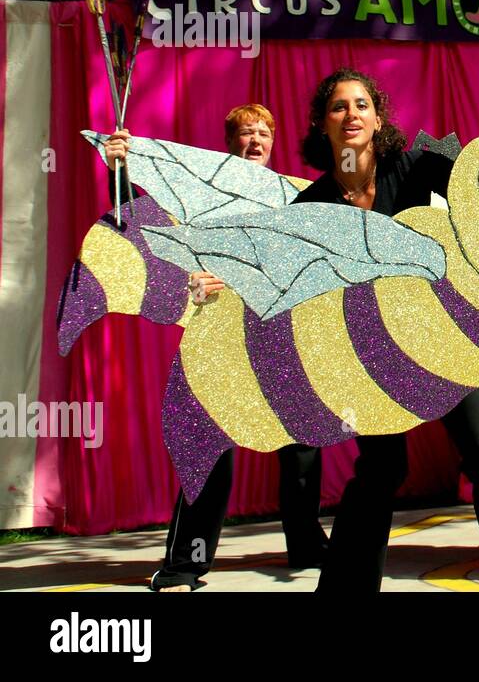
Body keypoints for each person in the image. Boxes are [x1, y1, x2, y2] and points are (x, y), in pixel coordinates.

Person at [292, 68, 479, 592]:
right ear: (322, 125)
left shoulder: (415, 167)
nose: (351, 114)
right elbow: (287, 280)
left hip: (444, 339)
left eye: (361, 105)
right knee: (381, 469)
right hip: (374, 358)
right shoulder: (312, 208)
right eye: (338, 107)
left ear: (377, 118)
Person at [104, 105, 329, 591]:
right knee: (207, 446)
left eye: (263, 133)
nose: (256, 140)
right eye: (246, 133)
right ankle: (187, 562)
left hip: (281, 337)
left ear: (273, 140)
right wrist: (121, 169)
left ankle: (307, 545)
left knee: (302, 444)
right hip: (220, 340)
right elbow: (140, 232)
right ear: (230, 143)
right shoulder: (198, 196)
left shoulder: (293, 195)